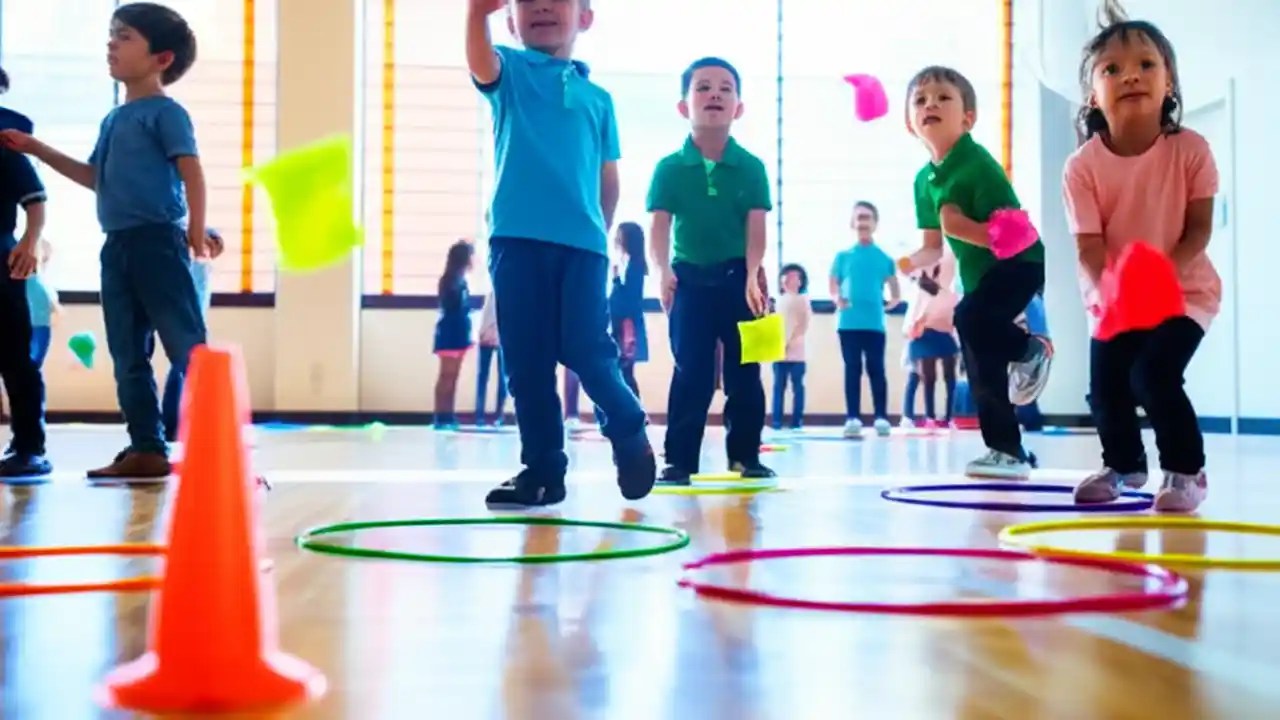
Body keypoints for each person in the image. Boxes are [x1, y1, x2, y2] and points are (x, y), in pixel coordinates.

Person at [2, 3, 207, 480]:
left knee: (187, 347)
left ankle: (215, 444)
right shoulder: (114, 118)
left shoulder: (166, 113)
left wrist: (196, 227)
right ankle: (146, 448)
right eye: (112, 35)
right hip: (116, 247)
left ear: (162, 58)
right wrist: (36, 148)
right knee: (126, 353)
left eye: (126, 36)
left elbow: (191, 170)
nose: (112, 44)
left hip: (158, 242)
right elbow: (96, 178)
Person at [465, 0, 655, 508]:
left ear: (585, 18)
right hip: (516, 242)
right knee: (525, 361)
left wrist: (599, 231)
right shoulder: (510, 71)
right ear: (511, 18)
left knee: (589, 350)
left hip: (584, 248)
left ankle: (629, 426)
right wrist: (473, 14)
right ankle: (544, 470)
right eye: (527, 1)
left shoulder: (599, 99)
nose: (542, 6)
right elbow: (480, 62)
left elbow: (608, 179)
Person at [1065, 2, 1214, 512]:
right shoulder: (1082, 166)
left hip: (1184, 291)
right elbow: (1088, 245)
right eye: (1112, 69)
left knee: (1152, 375)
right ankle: (1124, 465)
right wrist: (1118, 289)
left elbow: (1198, 231)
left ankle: (1186, 472)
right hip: (1112, 294)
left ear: (1168, 82)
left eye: (1146, 65)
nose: (1131, 75)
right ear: (1093, 95)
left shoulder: (1191, 150)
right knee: (1106, 389)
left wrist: (1159, 280)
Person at [897, 65, 1051, 480]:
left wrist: (963, 228)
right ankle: (1007, 451)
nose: (930, 103)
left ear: (968, 118)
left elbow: (1018, 236)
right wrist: (906, 265)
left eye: (943, 97)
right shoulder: (923, 182)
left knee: (969, 318)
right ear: (911, 124)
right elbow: (933, 247)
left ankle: (1027, 349)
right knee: (978, 353)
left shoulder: (977, 164)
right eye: (920, 99)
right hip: (982, 280)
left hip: (1021, 266)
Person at [649, 56, 774, 486]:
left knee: (748, 373)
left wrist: (755, 274)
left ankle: (746, 458)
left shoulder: (753, 166)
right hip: (689, 283)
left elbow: (756, 230)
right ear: (684, 106)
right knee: (691, 374)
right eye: (703, 87)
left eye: (725, 88)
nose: (715, 94)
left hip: (743, 282)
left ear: (738, 107)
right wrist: (662, 272)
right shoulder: (667, 168)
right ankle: (679, 461)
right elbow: (659, 229)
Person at [0, 69, 52, 477]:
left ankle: (29, 447)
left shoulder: (6, 143)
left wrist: (30, 243)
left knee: (14, 353)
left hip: (1, 255)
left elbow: (35, 199)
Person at [830, 201, 900, 438]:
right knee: (852, 369)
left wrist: (893, 301)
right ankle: (853, 418)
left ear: (875, 223)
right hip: (848, 323)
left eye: (867, 217)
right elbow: (833, 284)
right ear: (852, 223)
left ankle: (881, 417)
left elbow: (894, 288)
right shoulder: (842, 256)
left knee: (876, 369)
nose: (862, 222)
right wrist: (836, 298)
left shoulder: (884, 258)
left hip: (874, 324)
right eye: (858, 217)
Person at [159, 227, 222, 441]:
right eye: (208, 245)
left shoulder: (203, 267)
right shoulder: (189, 264)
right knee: (182, 372)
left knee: (184, 373)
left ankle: (177, 423)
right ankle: (173, 424)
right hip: (186, 325)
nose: (210, 251)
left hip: (194, 325)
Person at [904, 252, 960, 428]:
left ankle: (950, 417)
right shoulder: (923, 284)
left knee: (950, 375)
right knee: (927, 376)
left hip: (946, 331)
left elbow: (953, 307)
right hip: (923, 331)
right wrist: (914, 325)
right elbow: (904, 266)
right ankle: (928, 416)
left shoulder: (953, 285)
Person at [433, 240, 474, 429]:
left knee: (454, 376)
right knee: (446, 376)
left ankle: (448, 415)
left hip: (459, 333)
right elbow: (451, 307)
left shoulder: (461, 280)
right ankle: (440, 416)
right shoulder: (449, 280)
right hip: (450, 333)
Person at [771, 263, 810, 430]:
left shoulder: (803, 300)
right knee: (778, 387)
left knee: (797, 387)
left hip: (797, 352)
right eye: (786, 277)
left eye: (793, 277)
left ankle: (797, 421)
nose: (788, 280)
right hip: (778, 351)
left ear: (800, 281)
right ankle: (776, 421)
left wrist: (790, 342)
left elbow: (803, 325)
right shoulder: (777, 301)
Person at [474, 291, 507, 426]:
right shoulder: (494, 292)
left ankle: (492, 415)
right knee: (491, 378)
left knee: (498, 379)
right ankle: (485, 415)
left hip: (497, 337)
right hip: (494, 337)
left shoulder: (495, 291)